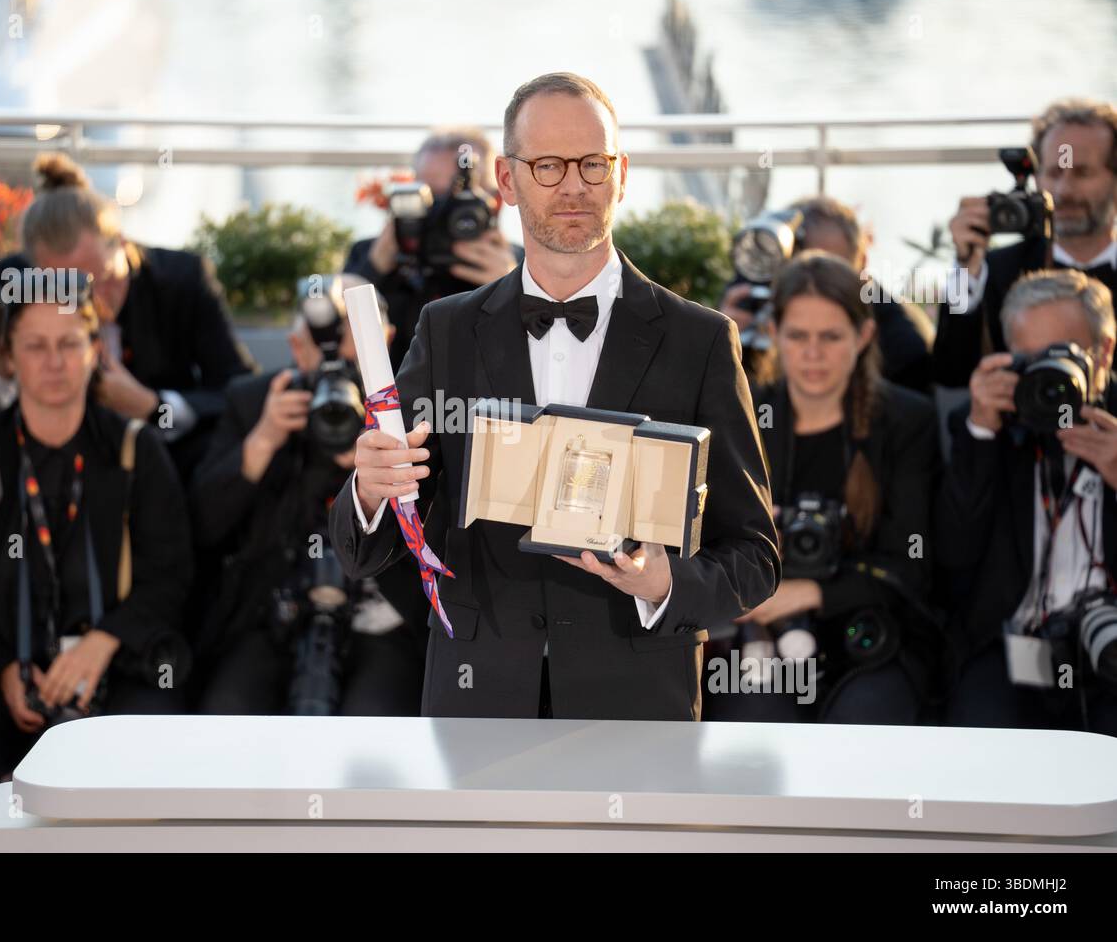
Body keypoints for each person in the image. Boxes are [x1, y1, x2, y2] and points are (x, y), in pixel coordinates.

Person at [329, 72, 779, 721]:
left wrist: (663, 583)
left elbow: (756, 558)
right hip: (475, 703)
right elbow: (363, 550)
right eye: (548, 165)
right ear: (507, 182)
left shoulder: (702, 341)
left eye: (592, 164)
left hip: (640, 706)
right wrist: (370, 492)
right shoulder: (446, 328)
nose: (573, 185)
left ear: (620, 173)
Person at [0, 276, 194, 848]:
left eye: (68, 343)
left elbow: (171, 575)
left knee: (155, 731)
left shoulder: (137, 450)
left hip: (112, 664)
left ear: (95, 350)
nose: (54, 362)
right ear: (7, 357)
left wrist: (107, 642)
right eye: (35, 345)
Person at [705, 252, 942, 724]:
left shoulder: (905, 423)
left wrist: (808, 593)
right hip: (760, 643)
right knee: (753, 735)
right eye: (798, 336)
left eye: (831, 337)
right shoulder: (742, 416)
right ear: (773, 334)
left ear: (864, 336)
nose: (813, 354)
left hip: (874, 641)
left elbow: (912, 568)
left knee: (862, 740)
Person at [0, 153, 254, 479]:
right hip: (34, 479)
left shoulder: (180, 280)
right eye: (68, 289)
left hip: (153, 481)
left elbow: (242, 392)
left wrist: (154, 407)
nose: (93, 304)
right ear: (34, 269)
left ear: (122, 245)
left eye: (106, 280)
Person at [190, 275, 425, 715]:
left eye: (354, 343)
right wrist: (262, 442)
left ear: (385, 340)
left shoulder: (412, 410)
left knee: (374, 731)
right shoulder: (258, 402)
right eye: (323, 346)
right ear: (297, 347)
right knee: (226, 720)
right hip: (272, 614)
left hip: (380, 619)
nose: (339, 362)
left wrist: (371, 467)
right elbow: (203, 525)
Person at [938, 269, 1117, 736]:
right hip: (1013, 647)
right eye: (1031, 359)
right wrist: (982, 432)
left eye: (1063, 356)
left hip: (1110, 640)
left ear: (1105, 353)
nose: (1049, 377)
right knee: (980, 758)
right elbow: (952, 555)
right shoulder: (984, 424)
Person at [934, 98, 1117, 388]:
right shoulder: (996, 269)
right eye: (1054, 173)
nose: (1063, 190)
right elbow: (952, 376)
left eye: (1082, 173)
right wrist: (964, 271)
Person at [343, 126, 523, 369]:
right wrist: (373, 269)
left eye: (458, 199)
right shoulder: (370, 255)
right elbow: (326, 347)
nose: (441, 214)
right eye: (429, 198)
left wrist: (512, 290)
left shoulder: (526, 267)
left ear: (497, 201)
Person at [719, 195, 935, 394]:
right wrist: (726, 347)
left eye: (829, 271)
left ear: (862, 268)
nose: (812, 285)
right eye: (797, 271)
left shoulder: (901, 343)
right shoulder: (752, 301)